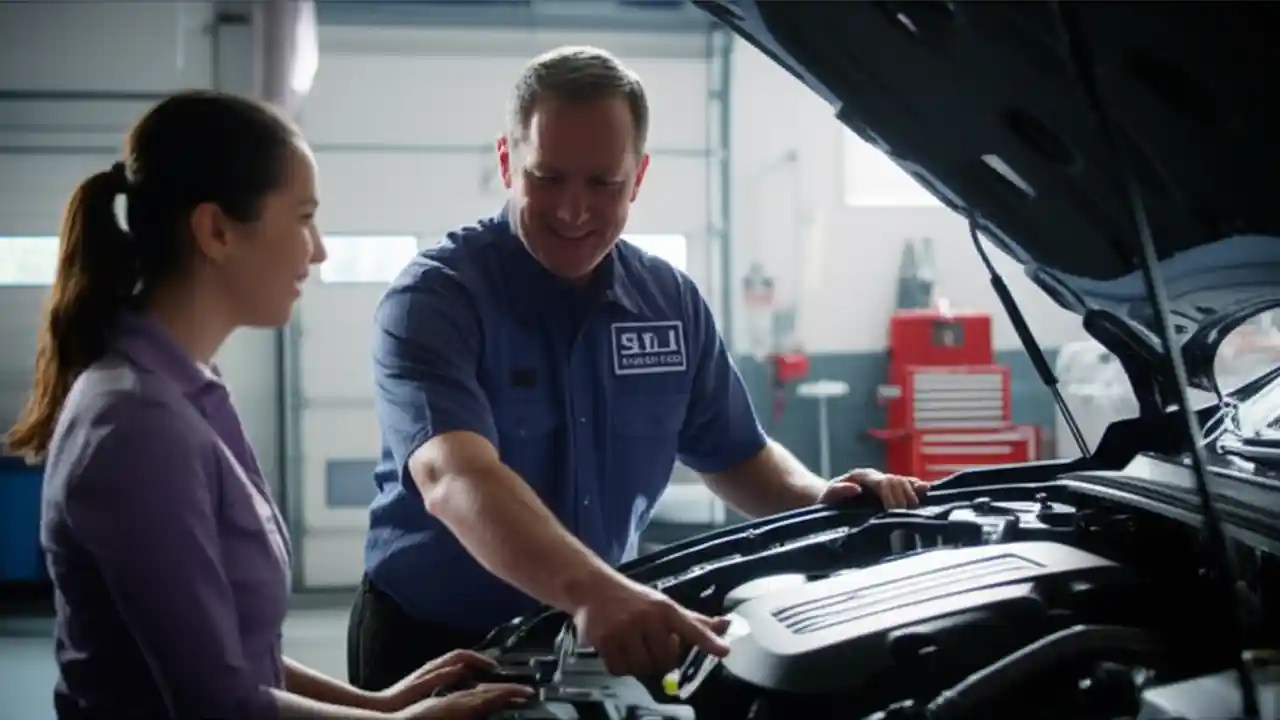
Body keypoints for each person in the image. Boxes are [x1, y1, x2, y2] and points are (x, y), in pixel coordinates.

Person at [348, 46, 929, 689]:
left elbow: (738, 456)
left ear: (639, 177)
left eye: (603, 183)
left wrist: (820, 497)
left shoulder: (669, 303)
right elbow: (454, 477)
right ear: (508, 162)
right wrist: (598, 591)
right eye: (548, 178)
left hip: (596, 629)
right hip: (435, 643)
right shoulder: (437, 298)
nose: (573, 210)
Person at [5, 90, 532, 720]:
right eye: (303, 216)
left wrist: (379, 703)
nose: (319, 249)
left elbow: (223, 649)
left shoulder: (185, 389)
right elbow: (215, 701)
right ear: (216, 230)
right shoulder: (137, 425)